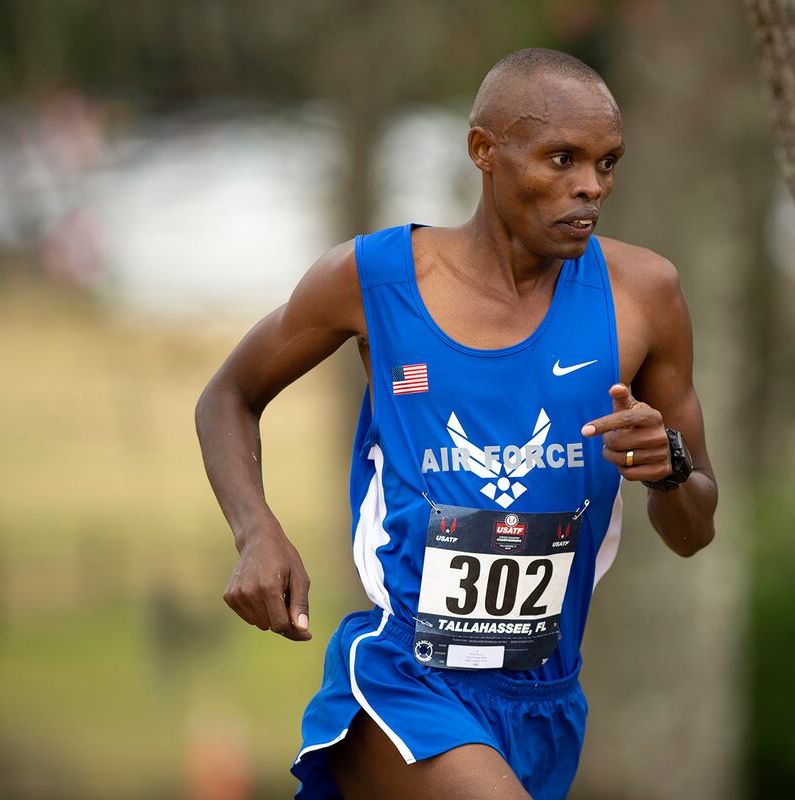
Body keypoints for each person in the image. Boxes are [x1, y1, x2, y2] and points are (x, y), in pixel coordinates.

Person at [195, 47, 717, 799]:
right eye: (561, 158)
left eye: (607, 163)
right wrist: (257, 531)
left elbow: (694, 527)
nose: (589, 187)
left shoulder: (644, 295)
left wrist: (668, 468)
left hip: (547, 697)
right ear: (484, 150)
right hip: (406, 676)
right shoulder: (375, 277)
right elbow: (228, 396)